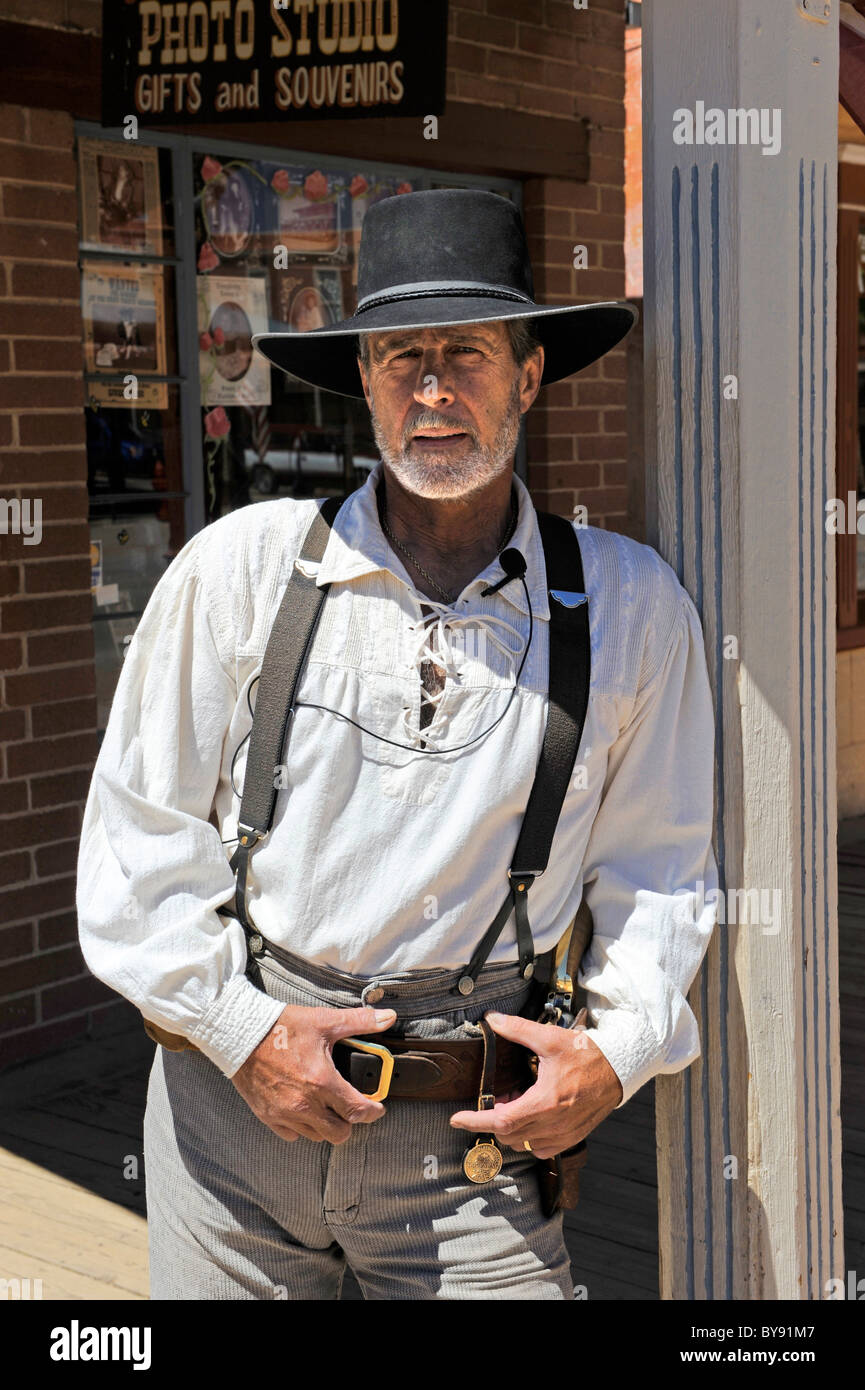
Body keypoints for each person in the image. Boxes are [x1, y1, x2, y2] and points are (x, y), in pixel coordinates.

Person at [76, 189, 719, 1301]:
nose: (431, 388)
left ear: (527, 374)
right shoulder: (242, 571)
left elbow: (660, 870)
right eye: (398, 357)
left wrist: (615, 1053)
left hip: (470, 1149)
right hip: (229, 1128)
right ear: (363, 382)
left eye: (465, 352)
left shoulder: (628, 604)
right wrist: (236, 1029)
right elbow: (140, 840)